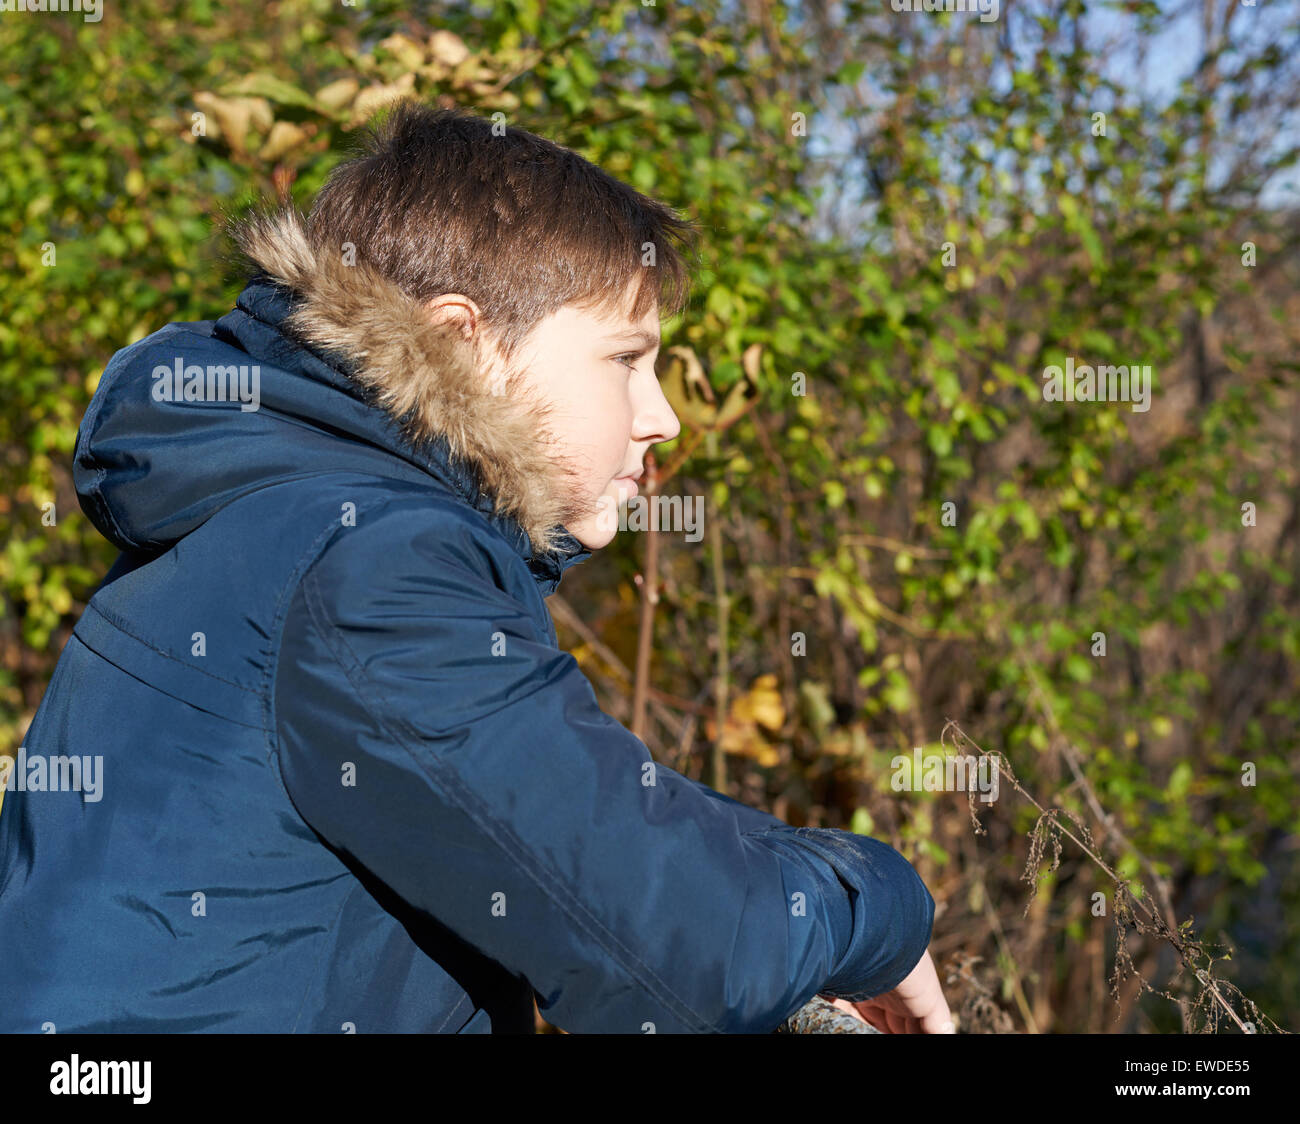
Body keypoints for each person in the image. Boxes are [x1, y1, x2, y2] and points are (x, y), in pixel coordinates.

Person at [0, 102, 950, 1034]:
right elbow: (688, 952)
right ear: (466, 343)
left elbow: (564, 810)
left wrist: (781, 854)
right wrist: (882, 908)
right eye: (626, 361)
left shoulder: (284, 504)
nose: (663, 417)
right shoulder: (379, 560)